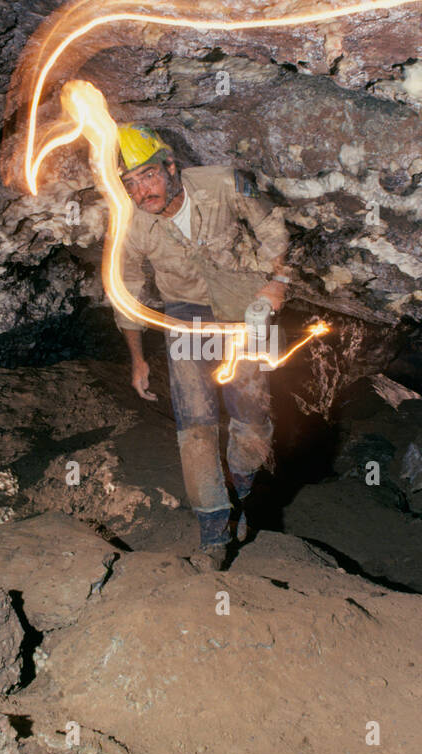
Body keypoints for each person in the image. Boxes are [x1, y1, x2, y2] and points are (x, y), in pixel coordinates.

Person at [111, 124, 293, 572]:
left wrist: (278, 281)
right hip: (186, 318)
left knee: (252, 417)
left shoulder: (224, 184)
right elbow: (127, 293)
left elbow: (275, 230)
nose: (141, 191)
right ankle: (214, 533)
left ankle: (242, 495)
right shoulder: (131, 226)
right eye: (130, 184)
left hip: (243, 308)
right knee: (195, 426)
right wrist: (137, 360)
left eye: (148, 176)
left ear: (172, 167)